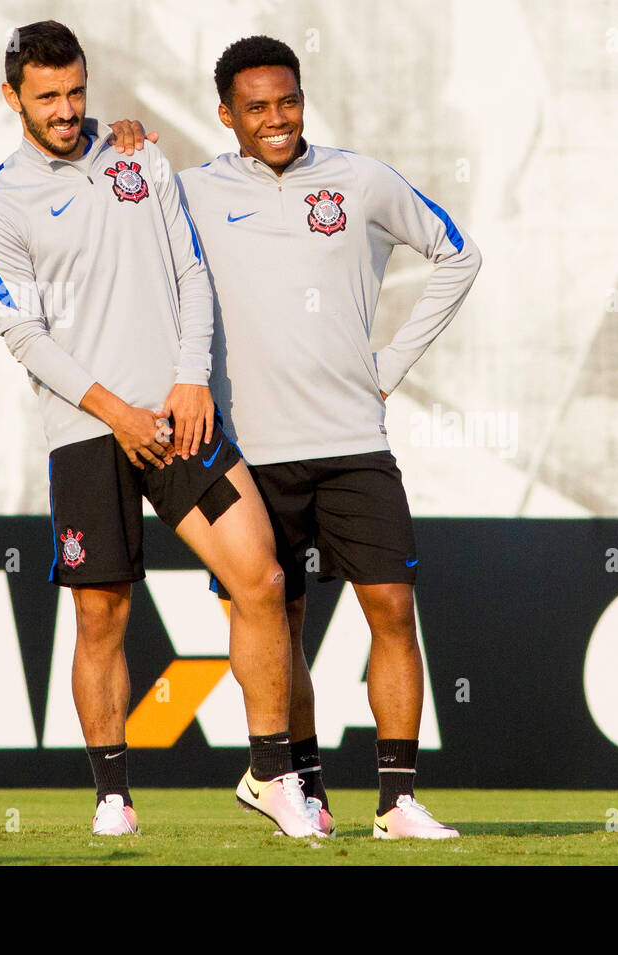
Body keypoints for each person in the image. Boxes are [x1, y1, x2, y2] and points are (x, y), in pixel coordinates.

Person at [0, 20, 323, 838]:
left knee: (261, 580)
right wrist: (115, 411)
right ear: (12, 97)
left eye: (76, 91)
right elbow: (24, 336)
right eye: (47, 96)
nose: (66, 110)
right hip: (88, 430)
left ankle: (272, 774)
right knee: (102, 614)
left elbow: (190, 270)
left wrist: (190, 374)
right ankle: (113, 797)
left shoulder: (139, 156)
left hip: (177, 413)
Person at [177, 35, 482, 838]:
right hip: (246, 449)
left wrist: (389, 367)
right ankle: (296, 784)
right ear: (226, 116)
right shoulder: (192, 192)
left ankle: (397, 801)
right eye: (257, 108)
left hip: (353, 438)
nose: (276, 119)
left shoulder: (362, 180)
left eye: (288, 101)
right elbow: (121, 220)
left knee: (392, 603)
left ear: (302, 99)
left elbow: (458, 255)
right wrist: (122, 136)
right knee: (276, 621)